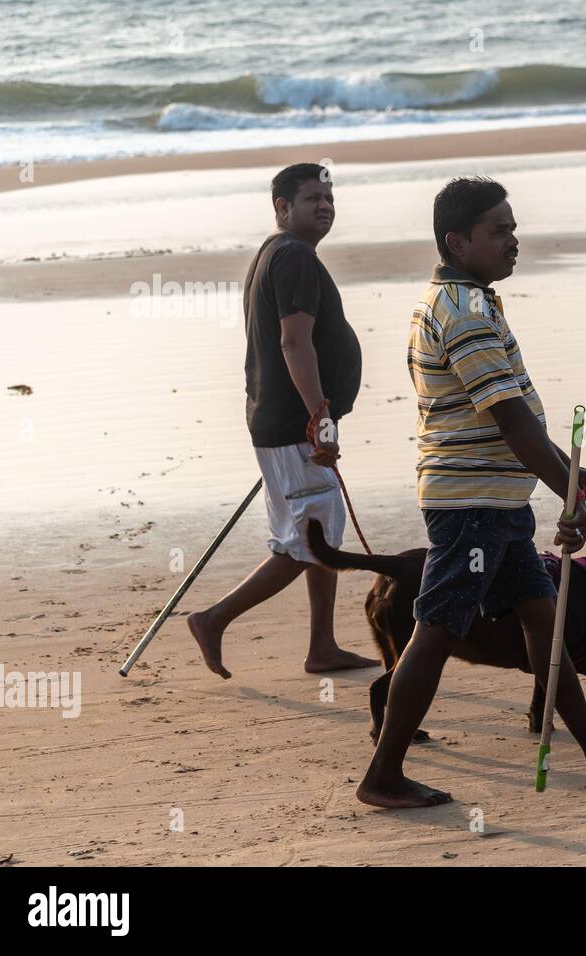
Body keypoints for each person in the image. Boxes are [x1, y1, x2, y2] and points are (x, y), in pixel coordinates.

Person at [356, 177, 586, 808]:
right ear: (456, 241)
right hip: (472, 508)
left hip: (497, 502)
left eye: (514, 228)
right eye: (500, 231)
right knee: (436, 629)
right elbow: (512, 420)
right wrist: (567, 492)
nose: (513, 240)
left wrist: (569, 482)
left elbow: (519, 422)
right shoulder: (462, 314)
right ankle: (383, 776)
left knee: (544, 626)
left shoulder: (469, 299)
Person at [188, 163, 377, 680]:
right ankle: (213, 618)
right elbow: (294, 342)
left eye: (330, 198)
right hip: (296, 424)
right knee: (308, 543)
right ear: (282, 207)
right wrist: (320, 417)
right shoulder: (292, 256)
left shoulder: (280, 253)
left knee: (319, 530)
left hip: (286, 421)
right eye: (313, 197)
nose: (325, 205)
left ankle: (322, 646)